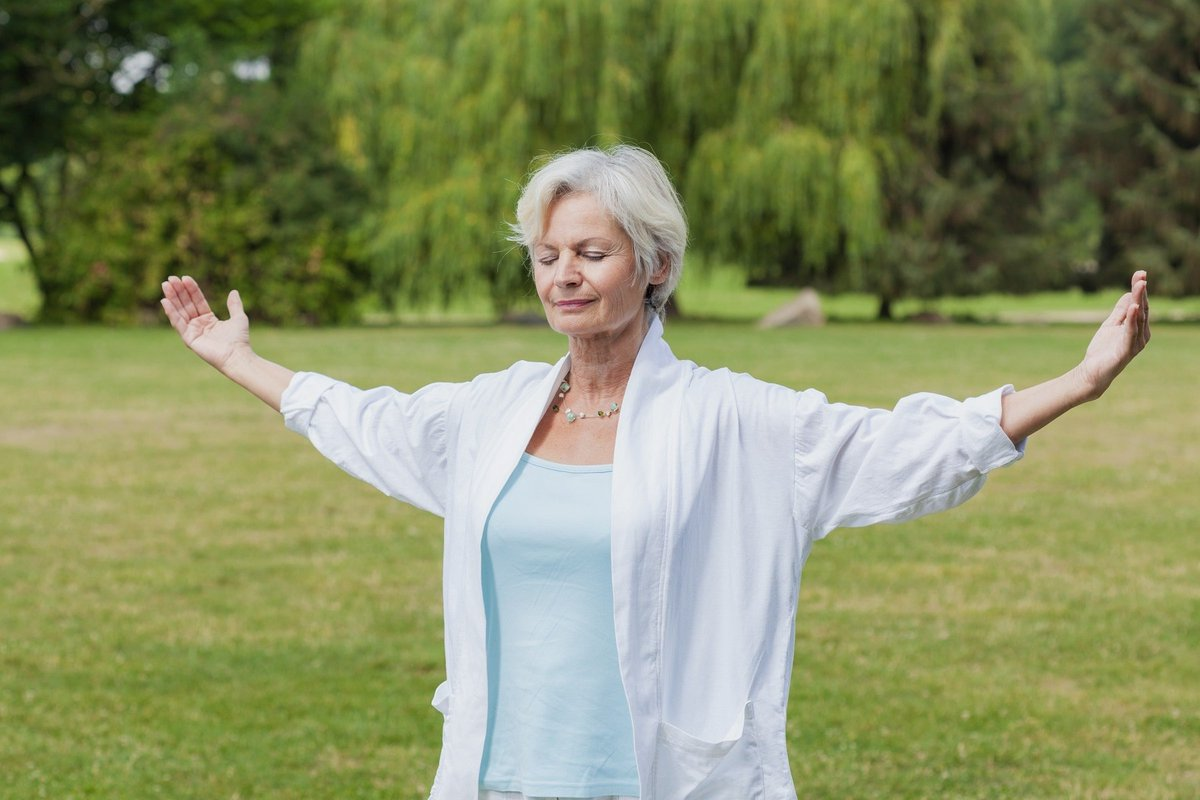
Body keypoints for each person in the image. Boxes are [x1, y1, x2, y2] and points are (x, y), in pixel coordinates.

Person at [160, 145, 1150, 800]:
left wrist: (1078, 380)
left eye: (591, 251)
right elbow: (362, 418)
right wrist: (236, 358)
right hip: (498, 777)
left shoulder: (729, 417)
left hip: (667, 776)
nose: (564, 275)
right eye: (547, 255)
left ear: (655, 264)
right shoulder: (494, 410)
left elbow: (895, 446)